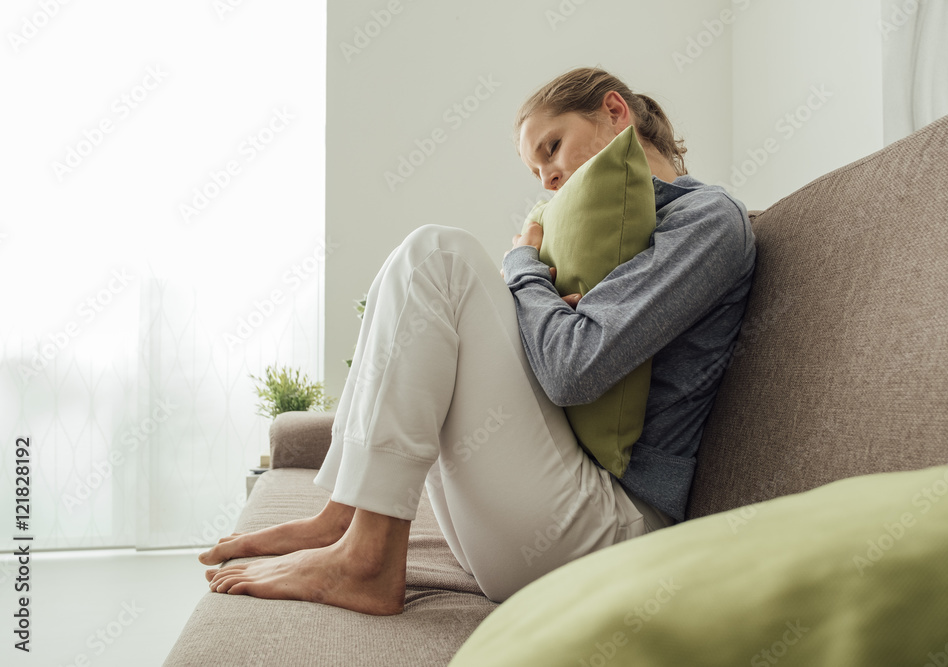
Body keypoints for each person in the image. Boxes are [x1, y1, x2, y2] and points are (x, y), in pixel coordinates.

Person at [199, 67, 757, 616]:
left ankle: (367, 559)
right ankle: (345, 515)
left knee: (440, 254)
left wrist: (523, 267)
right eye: (536, 167)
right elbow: (556, 359)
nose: (547, 178)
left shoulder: (707, 219)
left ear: (615, 112)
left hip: (619, 534)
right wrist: (539, 297)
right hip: (531, 527)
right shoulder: (601, 237)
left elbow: (571, 369)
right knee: (424, 259)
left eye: (552, 147)